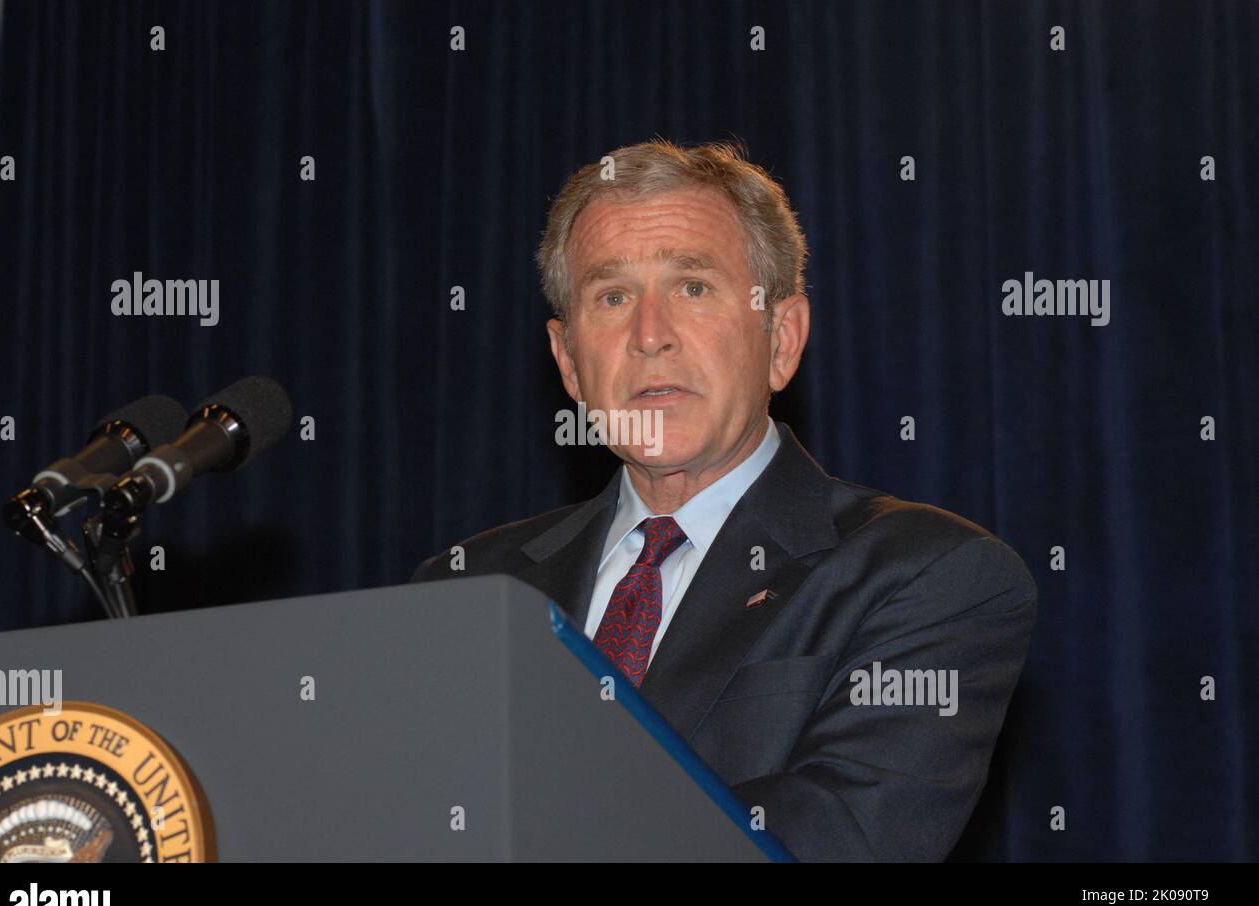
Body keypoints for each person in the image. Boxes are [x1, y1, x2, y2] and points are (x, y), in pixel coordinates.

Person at [412, 139, 1037, 861]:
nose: (651, 335)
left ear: (782, 338)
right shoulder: (466, 587)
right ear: (569, 365)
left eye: (693, 287)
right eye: (612, 297)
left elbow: (835, 838)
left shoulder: (928, 574)